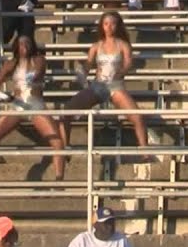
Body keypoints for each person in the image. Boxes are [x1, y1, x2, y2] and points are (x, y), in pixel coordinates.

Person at [60, 11, 151, 150]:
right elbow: (89, 64)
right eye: (106, 24)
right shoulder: (96, 46)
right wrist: (82, 71)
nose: (109, 27)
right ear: (102, 26)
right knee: (67, 111)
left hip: (116, 86)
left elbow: (128, 63)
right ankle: (65, 147)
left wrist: (121, 72)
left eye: (113, 24)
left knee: (137, 117)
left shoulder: (123, 45)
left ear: (118, 26)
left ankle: (145, 151)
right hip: (98, 86)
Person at [0, 35, 65, 180]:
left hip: (35, 105)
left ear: (32, 45)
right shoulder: (10, 64)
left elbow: (37, 74)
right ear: (16, 47)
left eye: (27, 42)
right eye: (20, 44)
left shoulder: (39, 60)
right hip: (17, 105)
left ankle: (59, 179)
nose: (24, 46)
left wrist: (27, 75)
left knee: (57, 142)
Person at [61, 206, 135, 247]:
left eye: (112, 222)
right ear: (95, 224)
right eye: (105, 223)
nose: (110, 226)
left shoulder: (122, 240)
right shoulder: (82, 240)